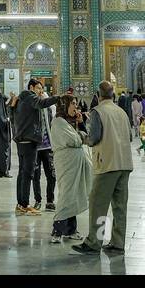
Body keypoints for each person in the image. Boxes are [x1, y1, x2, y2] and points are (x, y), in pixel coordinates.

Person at [72, 81, 133, 255]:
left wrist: (83, 136)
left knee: (99, 205)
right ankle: (118, 243)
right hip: (125, 164)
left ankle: (94, 242)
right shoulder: (121, 112)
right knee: (120, 207)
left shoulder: (98, 111)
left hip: (107, 164)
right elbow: (129, 136)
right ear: (113, 95)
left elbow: (94, 138)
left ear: (98, 95)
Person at [10, 79, 60, 216]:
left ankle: (20, 203)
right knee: (28, 174)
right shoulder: (29, 96)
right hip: (29, 141)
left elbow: (13, 118)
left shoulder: (20, 99)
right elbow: (41, 103)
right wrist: (58, 97)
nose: (40, 91)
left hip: (22, 140)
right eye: (38, 88)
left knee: (22, 173)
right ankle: (25, 204)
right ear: (31, 87)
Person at [48, 94, 90, 243]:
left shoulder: (71, 122)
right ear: (64, 105)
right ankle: (57, 230)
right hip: (66, 163)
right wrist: (80, 136)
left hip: (75, 162)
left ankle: (71, 230)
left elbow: (87, 138)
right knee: (67, 194)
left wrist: (80, 123)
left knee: (74, 194)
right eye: (72, 103)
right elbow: (73, 140)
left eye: (76, 104)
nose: (75, 107)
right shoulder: (58, 122)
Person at [32, 89, 57, 212]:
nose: (40, 93)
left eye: (42, 91)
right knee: (35, 175)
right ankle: (38, 200)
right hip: (35, 147)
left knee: (51, 175)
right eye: (38, 90)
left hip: (48, 147)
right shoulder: (32, 109)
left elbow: (53, 124)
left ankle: (50, 201)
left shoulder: (49, 110)